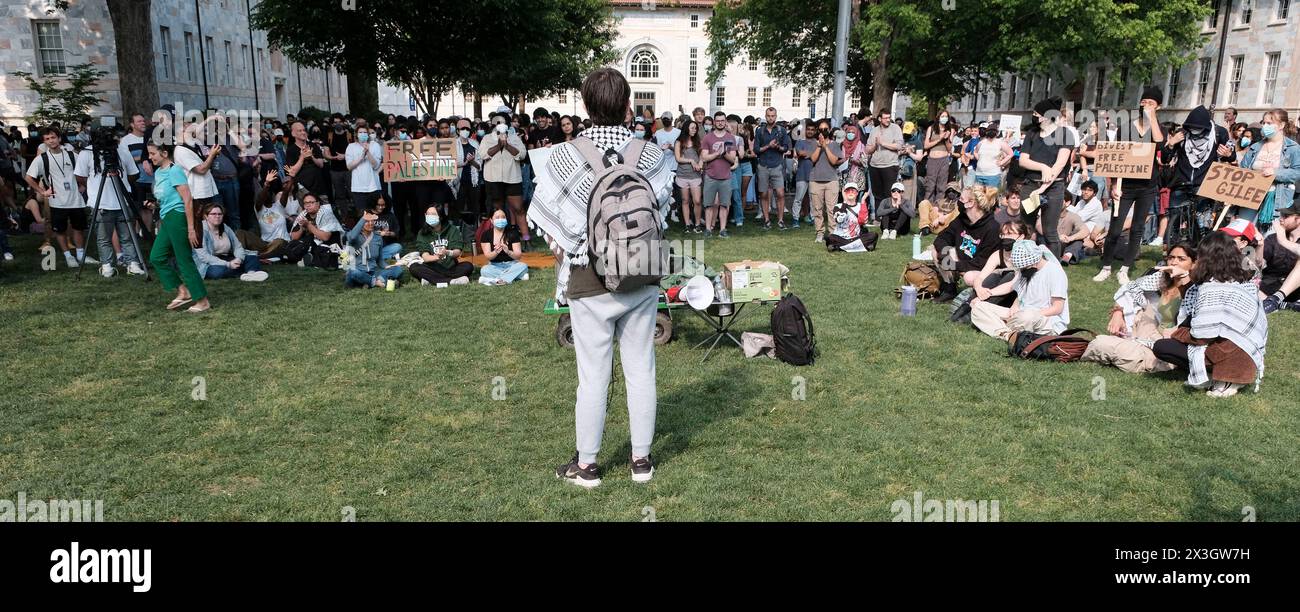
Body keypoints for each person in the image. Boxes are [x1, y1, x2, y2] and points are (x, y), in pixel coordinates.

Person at [530, 68, 672, 487]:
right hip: (643, 270)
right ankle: (641, 462)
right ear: (628, 107)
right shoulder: (652, 155)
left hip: (589, 276)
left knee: (593, 374)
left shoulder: (563, 155)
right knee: (641, 368)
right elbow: (661, 213)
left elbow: (552, 225)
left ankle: (587, 465)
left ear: (586, 108)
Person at [1152, 231, 1267, 397]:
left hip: (1230, 352)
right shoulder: (1245, 282)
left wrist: (1177, 334)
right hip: (1250, 347)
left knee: (1162, 346)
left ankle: (1226, 377)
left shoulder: (1212, 287)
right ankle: (1220, 375)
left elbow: (1202, 335)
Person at [1082, 243, 1196, 374]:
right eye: (1171, 257)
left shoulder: (1196, 287)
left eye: (1181, 259)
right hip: (1151, 332)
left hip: (1170, 343)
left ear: (1193, 264)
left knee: (1112, 347)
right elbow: (1130, 289)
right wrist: (1118, 313)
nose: (1174, 262)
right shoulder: (1162, 278)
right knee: (1140, 309)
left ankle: (1105, 346)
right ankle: (1119, 345)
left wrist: (1184, 277)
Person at [1092, 88, 1165, 285]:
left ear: (1157, 106)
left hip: (1147, 186)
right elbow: (1117, 156)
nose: (1145, 105)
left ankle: (1125, 268)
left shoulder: (1159, 128)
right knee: (1115, 228)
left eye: (1150, 102)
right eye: (1143, 101)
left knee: (1137, 228)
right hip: (1126, 186)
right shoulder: (1126, 128)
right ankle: (1106, 266)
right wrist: (1114, 184)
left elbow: (1160, 143)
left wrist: (1152, 118)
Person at [145, 143, 209, 312]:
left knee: (184, 260)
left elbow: (187, 199)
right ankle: (183, 291)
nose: (150, 157)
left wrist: (190, 229)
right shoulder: (159, 173)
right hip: (166, 218)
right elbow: (165, 197)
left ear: (164, 153)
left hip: (178, 217)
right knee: (156, 257)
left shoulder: (175, 171)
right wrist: (154, 205)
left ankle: (202, 301)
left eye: (153, 154)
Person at [74, 132, 143, 277]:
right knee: (103, 238)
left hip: (121, 201)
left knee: (127, 236)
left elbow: (133, 173)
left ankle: (133, 263)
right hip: (101, 203)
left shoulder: (122, 152)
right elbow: (80, 176)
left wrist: (121, 180)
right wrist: (92, 186)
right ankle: (107, 265)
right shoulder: (87, 154)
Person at [972, 239, 1070, 340]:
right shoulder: (1026, 270)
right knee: (978, 307)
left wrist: (1026, 314)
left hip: (1044, 319)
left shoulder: (1055, 272)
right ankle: (1008, 334)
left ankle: (1001, 327)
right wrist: (1015, 305)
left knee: (1026, 317)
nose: (1021, 271)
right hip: (1020, 314)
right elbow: (1019, 292)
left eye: (1023, 268)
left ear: (1033, 263)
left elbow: (1057, 308)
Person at [24, 126, 93, 268]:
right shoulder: (42, 159)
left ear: (59, 138)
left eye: (53, 137)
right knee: (60, 230)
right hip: (57, 202)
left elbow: (84, 172)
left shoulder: (72, 155)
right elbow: (28, 177)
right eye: (47, 139)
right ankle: (68, 257)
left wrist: (84, 186)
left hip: (76, 199)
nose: (51, 141)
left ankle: (81, 255)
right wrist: (42, 191)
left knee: (78, 228)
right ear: (44, 142)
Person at [1017, 97, 1075, 259]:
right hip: (1030, 185)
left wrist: (1042, 188)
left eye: (1037, 113)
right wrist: (1042, 167)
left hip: (1053, 188)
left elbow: (1060, 164)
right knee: (1026, 228)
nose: (1034, 116)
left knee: (1050, 232)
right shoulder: (1032, 133)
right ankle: (1024, 261)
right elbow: (1023, 160)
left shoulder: (1065, 134)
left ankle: (1053, 269)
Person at [930, 186, 1002, 301]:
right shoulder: (962, 219)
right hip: (963, 259)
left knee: (969, 277)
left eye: (962, 199)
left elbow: (981, 262)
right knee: (936, 251)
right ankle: (949, 289)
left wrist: (954, 266)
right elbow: (943, 237)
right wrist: (944, 253)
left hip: (983, 269)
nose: (959, 202)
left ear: (971, 203)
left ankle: (976, 296)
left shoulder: (992, 228)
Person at [1236, 109, 1300, 227]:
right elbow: (1243, 169)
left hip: (1276, 200)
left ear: (1281, 125)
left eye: (1269, 124)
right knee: (1243, 231)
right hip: (1250, 197)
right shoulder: (1255, 147)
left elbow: (1297, 172)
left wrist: (1276, 173)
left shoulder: (1293, 148)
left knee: (1269, 238)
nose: (1265, 126)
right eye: (1264, 123)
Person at [478, 114, 528, 235]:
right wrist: (499, 145)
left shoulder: (515, 138)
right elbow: (483, 155)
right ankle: (500, 238)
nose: (500, 124)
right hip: (493, 178)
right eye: (497, 122)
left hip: (512, 178)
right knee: (497, 210)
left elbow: (522, 155)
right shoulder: (487, 138)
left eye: (503, 122)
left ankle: (526, 238)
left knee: (519, 209)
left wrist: (507, 145)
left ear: (508, 124)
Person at [192, 203, 268, 281]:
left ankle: (251, 274)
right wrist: (228, 264)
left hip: (227, 258)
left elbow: (237, 247)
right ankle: (246, 270)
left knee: (252, 258)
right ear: (206, 216)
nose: (217, 216)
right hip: (209, 263)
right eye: (213, 214)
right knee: (217, 272)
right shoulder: (200, 230)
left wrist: (239, 259)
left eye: (220, 214)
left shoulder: (225, 227)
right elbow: (204, 257)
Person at [408, 205, 472, 286]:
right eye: (428, 214)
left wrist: (447, 252)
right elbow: (425, 257)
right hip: (432, 267)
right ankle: (451, 281)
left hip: (450, 267)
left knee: (468, 266)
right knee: (414, 267)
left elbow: (457, 252)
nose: (429, 216)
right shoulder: (422, 233)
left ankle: (431, 279)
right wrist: (437, 257)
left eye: (433, 214)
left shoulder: (452, 230)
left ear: (440, 217)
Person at [344, 209, 404, 289]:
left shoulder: (377, 237)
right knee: (353, 272)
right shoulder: (353, 235)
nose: (371, 223)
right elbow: (352, 237)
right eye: (367, 221)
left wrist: (387, 266)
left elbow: (379, 260)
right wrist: (363, 218)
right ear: (360, 222)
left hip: (373, 272)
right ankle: (377, 282)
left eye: (372, 221)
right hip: (358, 271)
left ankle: (368, 283)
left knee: (397, 269)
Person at [239, 170, 293, 258]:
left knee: (280, 241)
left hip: (281, 243)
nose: (267, 195)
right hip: (264, 244)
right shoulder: (259, 208)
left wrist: (292, 177)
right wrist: (267, 184)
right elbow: (260, 198)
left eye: (269, 193)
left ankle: (258, 257)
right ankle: (240, 255)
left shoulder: (279, 205)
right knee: (240, 233)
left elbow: (286, 191)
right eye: (265, 193)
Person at [701, 110, 738, 237]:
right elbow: (704, 158)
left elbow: (733, 160)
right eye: (718, 121)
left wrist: (724, 153)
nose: (720, 123)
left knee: (724, 204)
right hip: (710, 176)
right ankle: (708, 229)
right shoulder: (708, 137)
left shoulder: (730, 138)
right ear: (714, 122)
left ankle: (722, 229)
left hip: (726, 176)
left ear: (725, 121)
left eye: (722, 121)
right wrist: (717, 153)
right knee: (708, 204)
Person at [807, 119, 843, 244]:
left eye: (825, 129)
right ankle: (820, 233)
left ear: (829, 130)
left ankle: (833, 233)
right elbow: (813, 159)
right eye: (821, 129)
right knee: (817, 209)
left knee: (832, 209)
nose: (823, 131)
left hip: (831, 181)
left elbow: (834, 161)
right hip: (816, 180)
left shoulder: (834, 145)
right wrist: (819, 145)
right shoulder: (813, 144)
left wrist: (825, 146)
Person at [755, 107, 791, 230]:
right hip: (763, 165)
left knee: (780, 193)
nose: (771, 118)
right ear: (766, 116)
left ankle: (780, 220)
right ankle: (767, 220)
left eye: (773, 115)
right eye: (769, 115)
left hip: (777, 165)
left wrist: (778, 147)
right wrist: (768, 146)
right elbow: (756, 150)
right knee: (764, 194)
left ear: (776, 116)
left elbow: (786, 148)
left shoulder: (781, 130)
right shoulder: (760, 131)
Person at [1260, 203, 1300, 313]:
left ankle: (1276, 301)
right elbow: (1259, 263)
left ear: (1298, 219)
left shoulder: (1280, 238)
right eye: (1281, 215)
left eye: (1286, 216)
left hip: (1295, 292)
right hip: (1268, 288)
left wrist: (1283, 241)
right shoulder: (1272, 238)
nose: (1280, 219)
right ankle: (1279, 303)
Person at [121, 113, 155, 235]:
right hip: (136, 180)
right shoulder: (125, 141)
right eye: (139, 121)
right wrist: (143, 160)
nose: (142, 123)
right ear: (132, 124)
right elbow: (124, 160)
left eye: (143, 120)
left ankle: (146, 233)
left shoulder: (150, 137)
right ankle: (134, 233)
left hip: (152, 180)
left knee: (148, 208)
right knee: (136, 208)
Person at [477, 208, 527, 285]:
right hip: (494, 266)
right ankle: (515, 277)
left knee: (523, 266)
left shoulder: (513, 233)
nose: (501, 219)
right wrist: (496, 252)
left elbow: (518, 256)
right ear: (491, 220)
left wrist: (508, 252)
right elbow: (488, 256)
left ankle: (497, 280)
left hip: (512, 264)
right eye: (497, 217)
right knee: (484, 270)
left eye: (503, 217)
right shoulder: (486, 235)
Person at [284, 121, 329, 202]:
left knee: (325, 212)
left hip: (320, 188)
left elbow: (321, 164)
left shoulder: (313, 146)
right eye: (299, 131)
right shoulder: (291, 150)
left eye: (304, 130)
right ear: (293, 134)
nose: (303, 132)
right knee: (307, 213)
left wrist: (311, 156)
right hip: (303, 189)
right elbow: (292, 172)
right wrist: (302, 157)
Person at [674, 119, 704, 233]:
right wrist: (691, 160)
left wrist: (700, 164)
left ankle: (697, 224)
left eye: (695, 128)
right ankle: (687, 225)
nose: (694, 130)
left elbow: (702, 156)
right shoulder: (679, 142)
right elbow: (678, 158)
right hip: (682, 175)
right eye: (692, 128)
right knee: (685, 200)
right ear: (686, 129)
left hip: (695, 176)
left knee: (697, 201)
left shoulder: (698, 141)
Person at [345, 125, 383, 214]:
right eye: (360, 132)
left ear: (368, 134)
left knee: (375, 213)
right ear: (356, 134)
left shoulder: (375, 145)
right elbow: (349, 166)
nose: (363, 134)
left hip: (373, 186)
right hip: (358, 187)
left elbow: (376, 165)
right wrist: (361, 156)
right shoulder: (351, 147)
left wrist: (368, 152)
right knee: (362, 214)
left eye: (365, 132)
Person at [921, 109, 957, 201]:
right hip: (932, 160)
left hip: (944, 159)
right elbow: (926, 145)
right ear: (938, 117)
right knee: (930, 185)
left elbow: (949, 149)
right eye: (942, 116)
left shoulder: (950, 130)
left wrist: (946, 139)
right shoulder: (931, 128)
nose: (944, 118)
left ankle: (938, 206)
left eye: (946, 116)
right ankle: (927, 205)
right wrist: (939, 139)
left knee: (941, 186)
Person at [825, 182, 872, 252]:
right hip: (841, 237)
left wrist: (863, 201)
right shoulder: (838, 206)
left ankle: (839, 248)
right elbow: (839, 220)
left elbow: (863, 221)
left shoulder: (860, 205)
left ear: (857, 193)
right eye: (848, 191)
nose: (850, 193)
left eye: (853, 191)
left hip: (855, 238)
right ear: (844, 193)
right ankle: (858, 247)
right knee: (829, 237)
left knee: (873, 235)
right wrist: (845, 202)